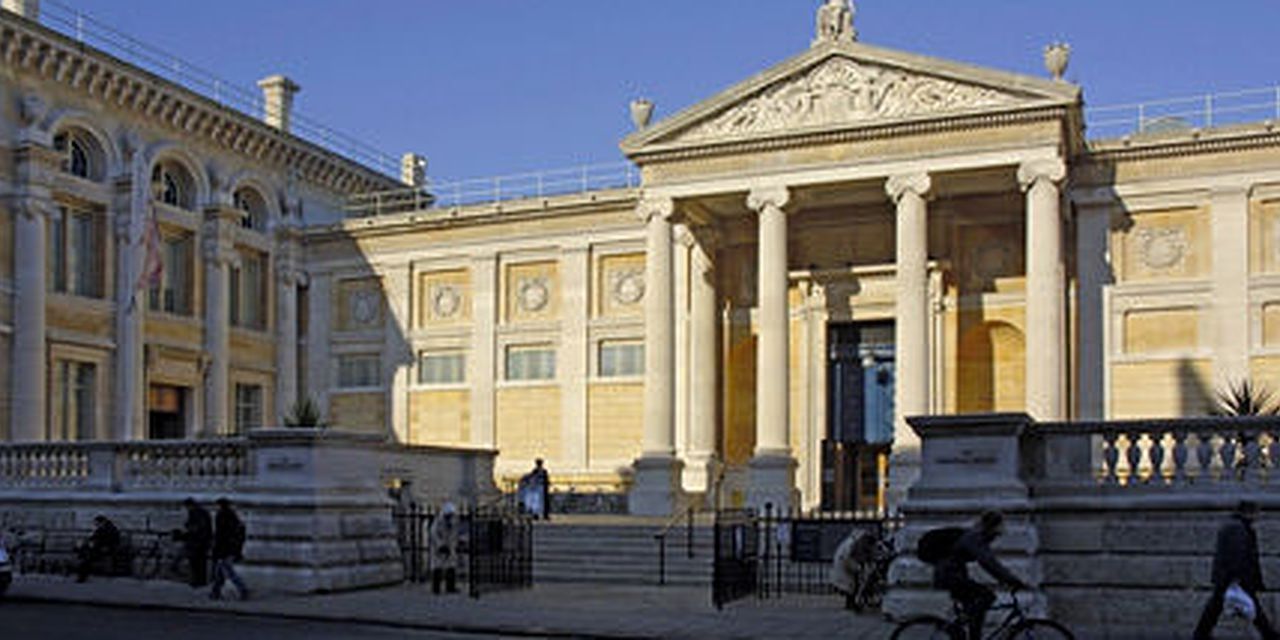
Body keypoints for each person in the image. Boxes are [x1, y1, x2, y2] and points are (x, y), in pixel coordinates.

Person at [933, 510, 1029, 640]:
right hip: (950, 576)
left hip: (953, 575)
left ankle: (969, 633)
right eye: (998, 529)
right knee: (987, 596)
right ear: (991, 526)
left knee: (978, 610)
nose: (999, 534)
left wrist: (1004, 579)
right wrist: (1012, 580)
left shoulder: (978, 536)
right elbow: (988, 562)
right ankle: (957, 626)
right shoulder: (975, 537)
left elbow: (991, 562)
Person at [1194, 500, 1279, 640]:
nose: (1258, 516)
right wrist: (1237, 577)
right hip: (1235, 575)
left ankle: (1201, 633)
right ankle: (1268, 634)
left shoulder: (1233, 526)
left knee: (1216, 605)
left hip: (1228, 575)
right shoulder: (1238, 528)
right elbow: (1238, 554)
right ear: (1249, 512)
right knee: (1224, 605)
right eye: (1256, 513)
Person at [209, 498, 249, 601]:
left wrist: (216, 550)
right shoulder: (233, 516)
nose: (215, 507)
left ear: (220, 506)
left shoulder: (221, 516)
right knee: (220, 572)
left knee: (228, 572)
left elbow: (220, 536)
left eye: (217, 505)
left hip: (224, 549)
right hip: (231, 548)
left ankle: (243, 589)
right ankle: (215, 592)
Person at [176, 497, 213, 588]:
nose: (186, 509)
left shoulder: (195, 512)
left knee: (195, 563)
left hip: (197, 542)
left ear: (190, 505)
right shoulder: (202, 512)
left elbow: (196, 527)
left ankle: (197, 581)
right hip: (203, 541)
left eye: (187, 507)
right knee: (201, 563)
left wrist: (188, 527)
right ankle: (201, 581)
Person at [75, 515, 121, 583]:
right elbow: (94, 537)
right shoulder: (103, 529)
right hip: (100, 548)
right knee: (84, 552)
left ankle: (82, 574)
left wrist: (97, 543)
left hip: (106, 549)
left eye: (97, 523)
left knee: (87, 557)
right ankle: (81, 564)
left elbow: (111, 541)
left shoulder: (110, 529)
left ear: (102, 522)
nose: (96, 525)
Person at [429, 502, 460, 594]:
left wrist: (452, 546)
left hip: (449, 547)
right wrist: (440, 545)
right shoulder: (438, 522)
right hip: (438, 548)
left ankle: (450, 587)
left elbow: (454, 534)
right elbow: (434, 534)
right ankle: (436, 588)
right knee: (437, 566)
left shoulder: (453, 522)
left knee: (451, 565)